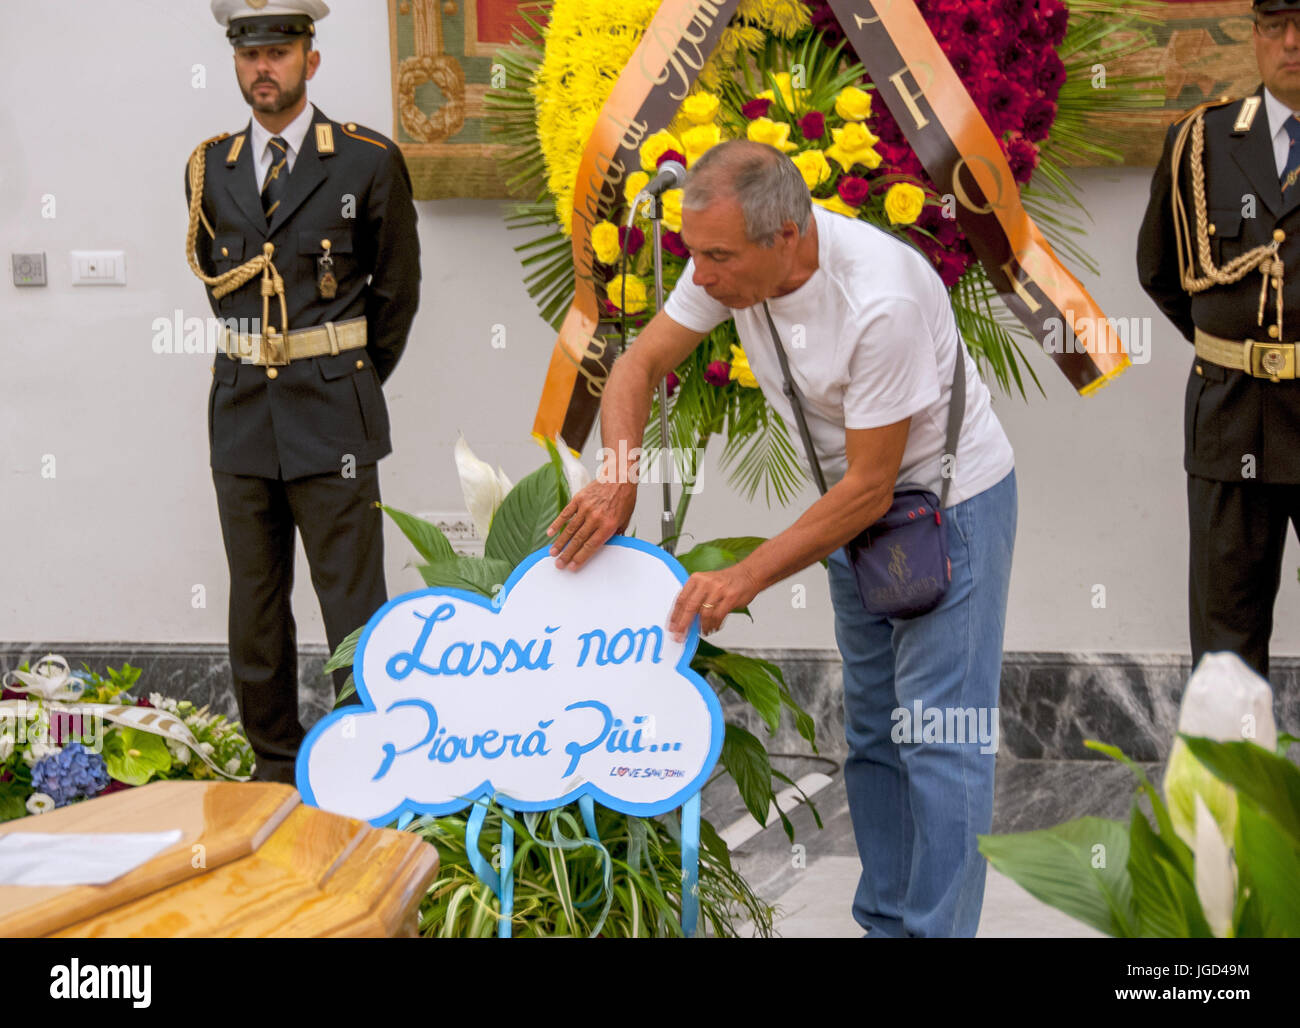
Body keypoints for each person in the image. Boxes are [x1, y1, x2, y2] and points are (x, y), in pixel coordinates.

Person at [547, 140, 1017, 937]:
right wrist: (620, 476)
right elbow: (636, 363)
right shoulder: (731, 265)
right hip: (853, 515)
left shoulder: (880, 298)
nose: (699, 276)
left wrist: (744, 577)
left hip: (945, 506)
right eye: (693, 253)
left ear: (787, 236)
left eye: (717, 257)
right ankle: (887, 924)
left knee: (939, 738)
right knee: (873, 732)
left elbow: (872, 484)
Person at [186, 0, 421, 783]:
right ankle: (274, 770)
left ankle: (366, 765)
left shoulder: (363, 160)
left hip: (332, 415)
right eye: (250, 52)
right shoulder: (210, 168)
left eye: (279, 51)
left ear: (309, 60)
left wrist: (342, 376)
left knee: (353, 601)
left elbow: (395, 295)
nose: (264, 67)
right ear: (235, 62)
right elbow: (225, 294)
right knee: (254, 603)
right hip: (243, 414)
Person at [1138, 0, 1300, 680]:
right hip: (1234, 419)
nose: (1290, 42)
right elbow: (1163, 273)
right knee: (1226, 643)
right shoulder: (1200, 144)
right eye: (1274, 25)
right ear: (1255, 37)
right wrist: (1238, 349)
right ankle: (1232, 790)